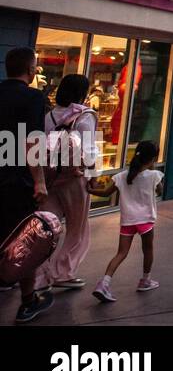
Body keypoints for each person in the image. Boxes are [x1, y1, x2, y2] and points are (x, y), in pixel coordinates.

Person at [0, 47, 53, 322]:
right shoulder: (32, 98)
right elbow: (32, 140)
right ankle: (28, 300)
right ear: (31, 71)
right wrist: (39, 182)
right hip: (17, 179)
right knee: (26, 240)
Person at [34, 74, 98, 294]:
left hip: (50, 176)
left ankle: (40, 275)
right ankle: (63, 272)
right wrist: (94, 174)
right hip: (75, 177)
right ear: (83, 92)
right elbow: (89, 148)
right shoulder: (84, 116)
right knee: (77, 227)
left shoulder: (49, 116)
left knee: (48, 227)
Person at [90, 140, 163, 302]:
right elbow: (159, 190)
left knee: (121, 253)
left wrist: (89, 189)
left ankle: (104, 283)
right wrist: (152, 169)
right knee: (148, 250)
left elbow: (105, 193)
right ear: (152, 159)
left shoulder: (121, 176)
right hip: (146, 221)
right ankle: (145, 280)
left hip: (127, 221)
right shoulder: (154, 176)